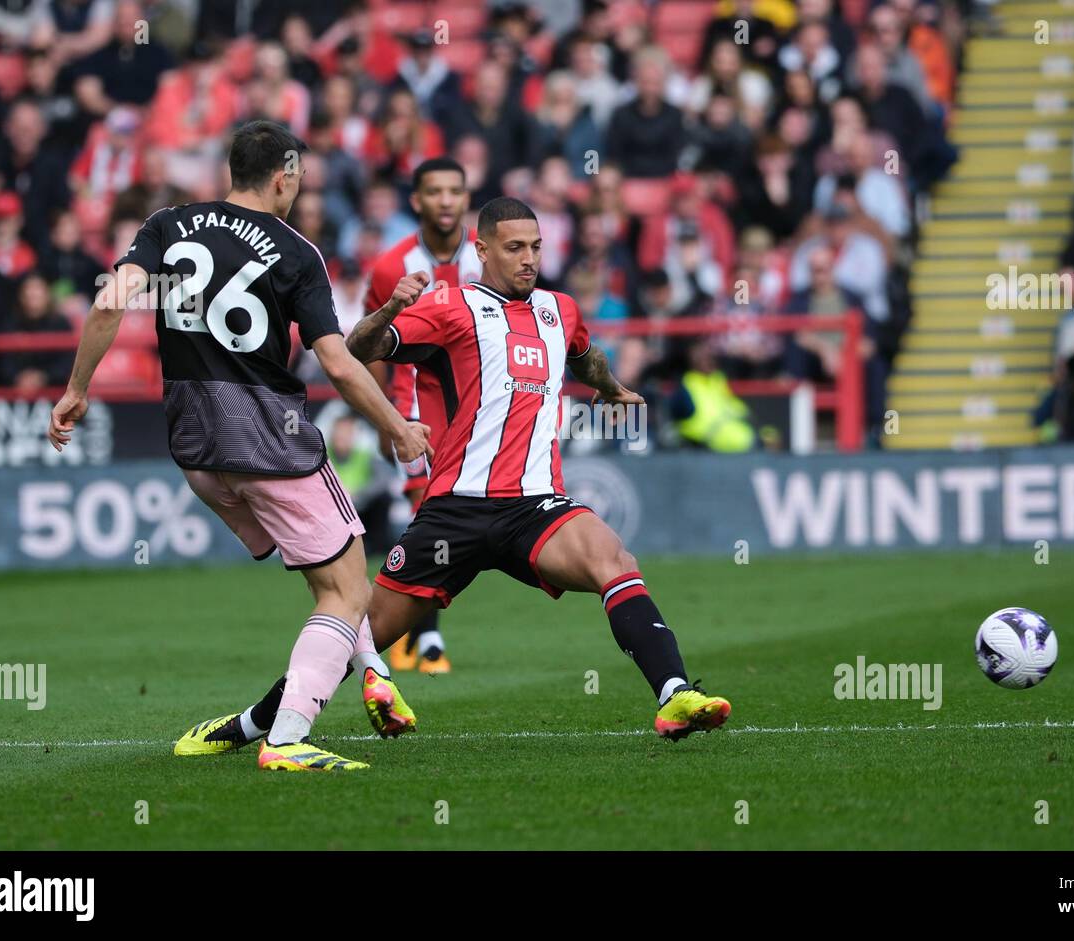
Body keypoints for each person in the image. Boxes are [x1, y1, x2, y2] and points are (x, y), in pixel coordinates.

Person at [182, 197, 732, 746]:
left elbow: (582, 353)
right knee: (358, 630)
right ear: (482, 249)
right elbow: (358, 346)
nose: (528, 259)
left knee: (614, 560)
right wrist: (390, 310)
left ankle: (675, 694)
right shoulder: (453, 307)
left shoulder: (559, 309)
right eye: (514, 248)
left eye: (535, 247)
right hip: (454, 510)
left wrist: (610, 388)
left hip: (535, 506)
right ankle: (253, 724)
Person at [46, 121, 432, 772]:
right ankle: (286, 739)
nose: (300, 186)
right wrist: (397, 426)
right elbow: (336, 364)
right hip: (269, 440)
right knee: (346, 586)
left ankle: (363, 674)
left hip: (197, 452)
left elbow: (112, 301)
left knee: (332, 577)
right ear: (283, 174)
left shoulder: (168, 224)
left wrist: (77, 388)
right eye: (300, 176)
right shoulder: (297, 252)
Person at [362, 156, 481, 673]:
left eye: (455, 191)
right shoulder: (392, 266)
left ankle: (407, 634)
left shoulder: (489, 253)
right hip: (416, 407)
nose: (447, 201)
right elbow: (366, 346)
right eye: (435, 192)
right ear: (417, 200)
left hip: (478, 406)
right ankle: (424, 639)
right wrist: (385, 416)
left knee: (458, 514)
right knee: (429, 513)